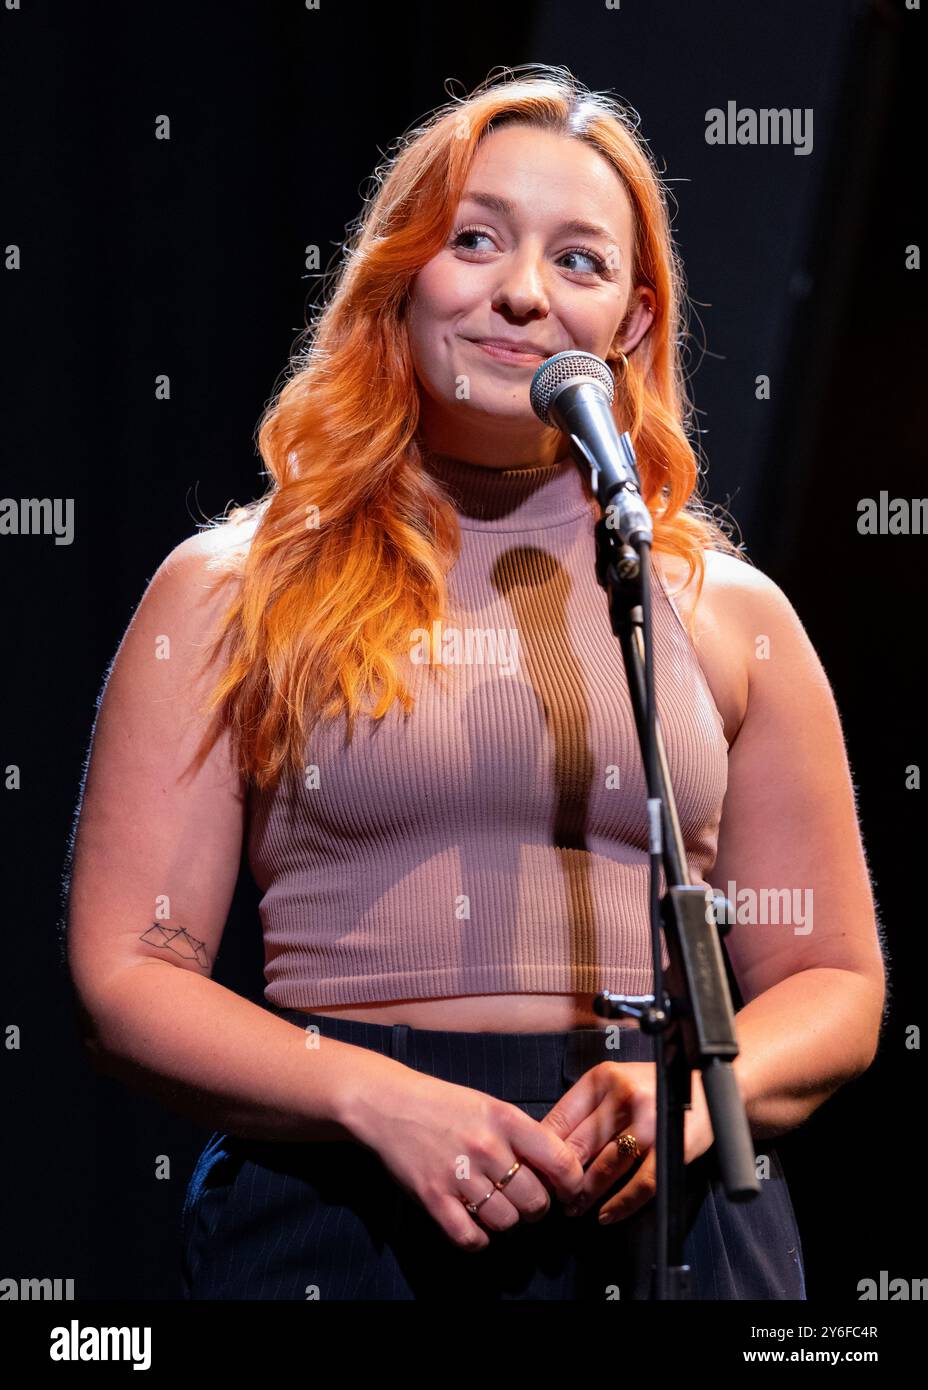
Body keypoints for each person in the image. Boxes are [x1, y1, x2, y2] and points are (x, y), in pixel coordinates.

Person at [66, 65, 886, 1301]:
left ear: (633, 325)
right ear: (400, 282)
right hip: (346, 1197)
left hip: (664, 1200)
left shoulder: (727, 611)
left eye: (579, 261)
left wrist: (699, 1097)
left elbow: (831, 978)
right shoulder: (233, 586)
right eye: (475, 240)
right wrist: (372, 1095)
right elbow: (129, 971)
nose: (520, 292)